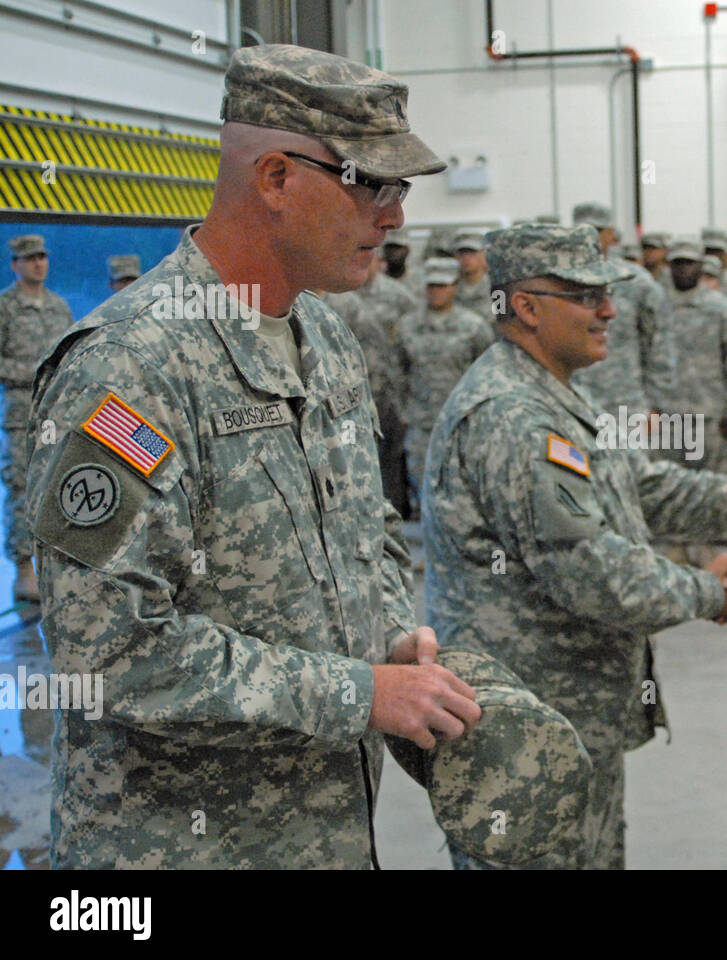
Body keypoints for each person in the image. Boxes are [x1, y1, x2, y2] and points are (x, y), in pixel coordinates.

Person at [26, 44, 481, 869]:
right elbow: (108, 652)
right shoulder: (130, 367)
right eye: (369, 184)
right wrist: (359, 692)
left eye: (399, 188)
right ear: (275, 177)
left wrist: (388, 635)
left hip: (324, 834)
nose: (395, 216)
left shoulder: (327, 341)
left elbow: (368, 529)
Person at [422, 223, 727, 869]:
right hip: (526, 726)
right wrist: (713, 589)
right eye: (585, 296)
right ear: (527, 307)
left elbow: (647, 489)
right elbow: (593, 570)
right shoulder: (512, 417)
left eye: (607, 293)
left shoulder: (557, 395)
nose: (609, 310)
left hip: (571, 714)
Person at [1, 233, 73, 604]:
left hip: (57, 414)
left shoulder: (59, 307)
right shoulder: (5, 308)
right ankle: (24, 569)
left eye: (42, 256)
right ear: (15, 264)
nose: (38, 263)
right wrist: (34, 371)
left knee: (56, 487)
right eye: (29, 258)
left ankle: (55, 565)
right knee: (21, 489)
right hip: (20, 414)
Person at [327, 248, 420, 517]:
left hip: (386, 391)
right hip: (345, 396)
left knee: (389, 461)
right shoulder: (340, 297)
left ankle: (390, 518)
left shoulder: (398, 297)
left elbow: (407, 342)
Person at [398, 256, 494, 508]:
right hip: (421, 421)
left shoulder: (474, 327)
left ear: (454, 287)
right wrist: (403, 412)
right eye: (431, 286)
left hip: (460, 420)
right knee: (423, 488)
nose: (436, 292)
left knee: (462, 493)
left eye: (442, 286)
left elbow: (486, 373)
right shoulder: (408, 326)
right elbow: (398, 371)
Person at [569, 201, 676, 420]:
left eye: (597, 231)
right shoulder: (560, 281)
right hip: (573, 403)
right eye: (582, 231)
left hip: (627, 406)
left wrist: (656, 407)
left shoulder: (636, 282)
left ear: (611, 235)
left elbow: (659, 344)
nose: (589, 238)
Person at [662, 238, 727, 473]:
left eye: (689, 263)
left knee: (712, 488)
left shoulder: (722, 308)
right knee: (665, 489)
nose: (683, 269)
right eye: (677, 263)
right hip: (664, 415)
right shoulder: (656, 305)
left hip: (709, 415)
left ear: (701, 266)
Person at [452, 229, 493, 321]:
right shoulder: (448, 289)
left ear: (484, 255)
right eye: (462, 253)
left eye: (472, 253)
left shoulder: (497, 288)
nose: (466, 258)